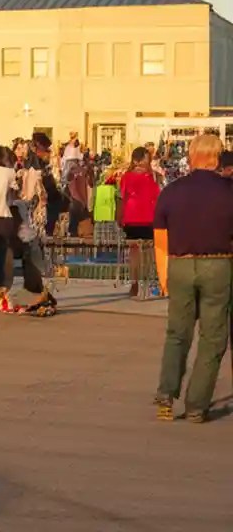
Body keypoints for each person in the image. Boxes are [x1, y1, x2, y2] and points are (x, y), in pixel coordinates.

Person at [152, 134, 233, 423]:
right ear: (218, 156)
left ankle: (166, 394)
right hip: (219, 266)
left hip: (180, 266)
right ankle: (197, 404)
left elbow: (160, 240)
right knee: (213, 338)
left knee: (178, 333)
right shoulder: (229, 191)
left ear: (191, 154)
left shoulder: (171, 192)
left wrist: (163, 277)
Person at [0, 145, 49, 314]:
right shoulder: (8, 173)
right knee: (11, 255)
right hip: (4, 217)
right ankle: (9, 295)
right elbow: (18, 195)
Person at [120, 147, 161, 299]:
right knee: (149, 252)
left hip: (131, 217)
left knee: (134, 253)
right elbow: (157, 197)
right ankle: (146, 282)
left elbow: (122, 197)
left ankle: (135, 283)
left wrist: (120, 217)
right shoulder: (153, 177)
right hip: (148, 217)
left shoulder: (127, 177)